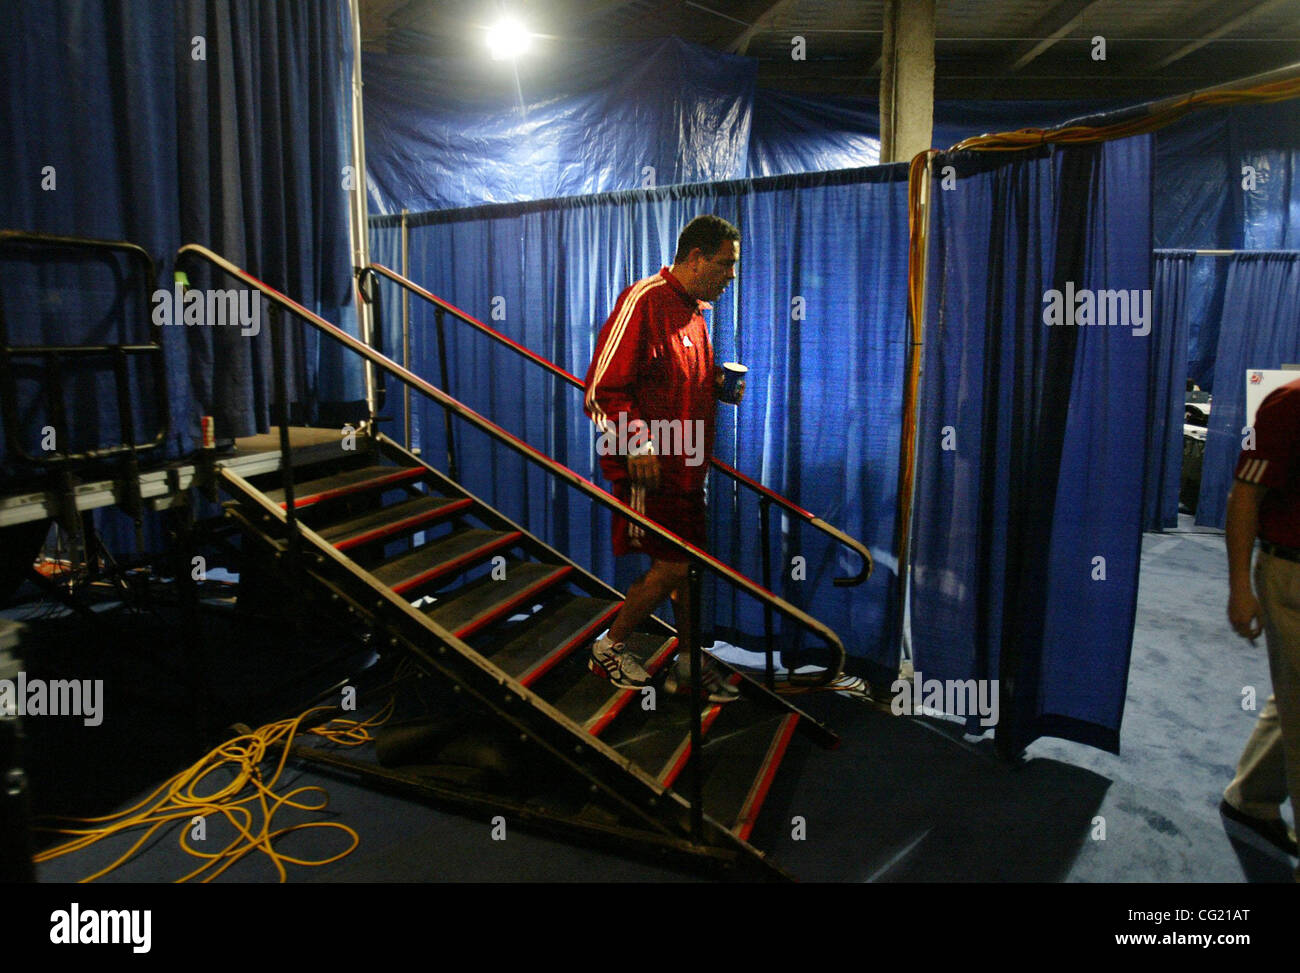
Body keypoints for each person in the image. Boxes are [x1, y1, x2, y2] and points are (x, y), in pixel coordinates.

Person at [582, 215, 743, 703]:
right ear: (694, 258)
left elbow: (668, 380)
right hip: (651, 471)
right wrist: (637, 443)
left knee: (688, 568)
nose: (731, 276)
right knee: (674, 567)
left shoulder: (694, 310)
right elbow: (601, 390)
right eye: (725, 264)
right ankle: (608, 647)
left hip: (689, 468)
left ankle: (689, 662)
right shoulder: (645, 299)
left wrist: (712, 383)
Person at [1223, 373, 1300, 869]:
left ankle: (1251, 797)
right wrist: (1240, 589)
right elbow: (1244, 497)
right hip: (1291, 574)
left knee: (1292, 694)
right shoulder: (1288, 403)